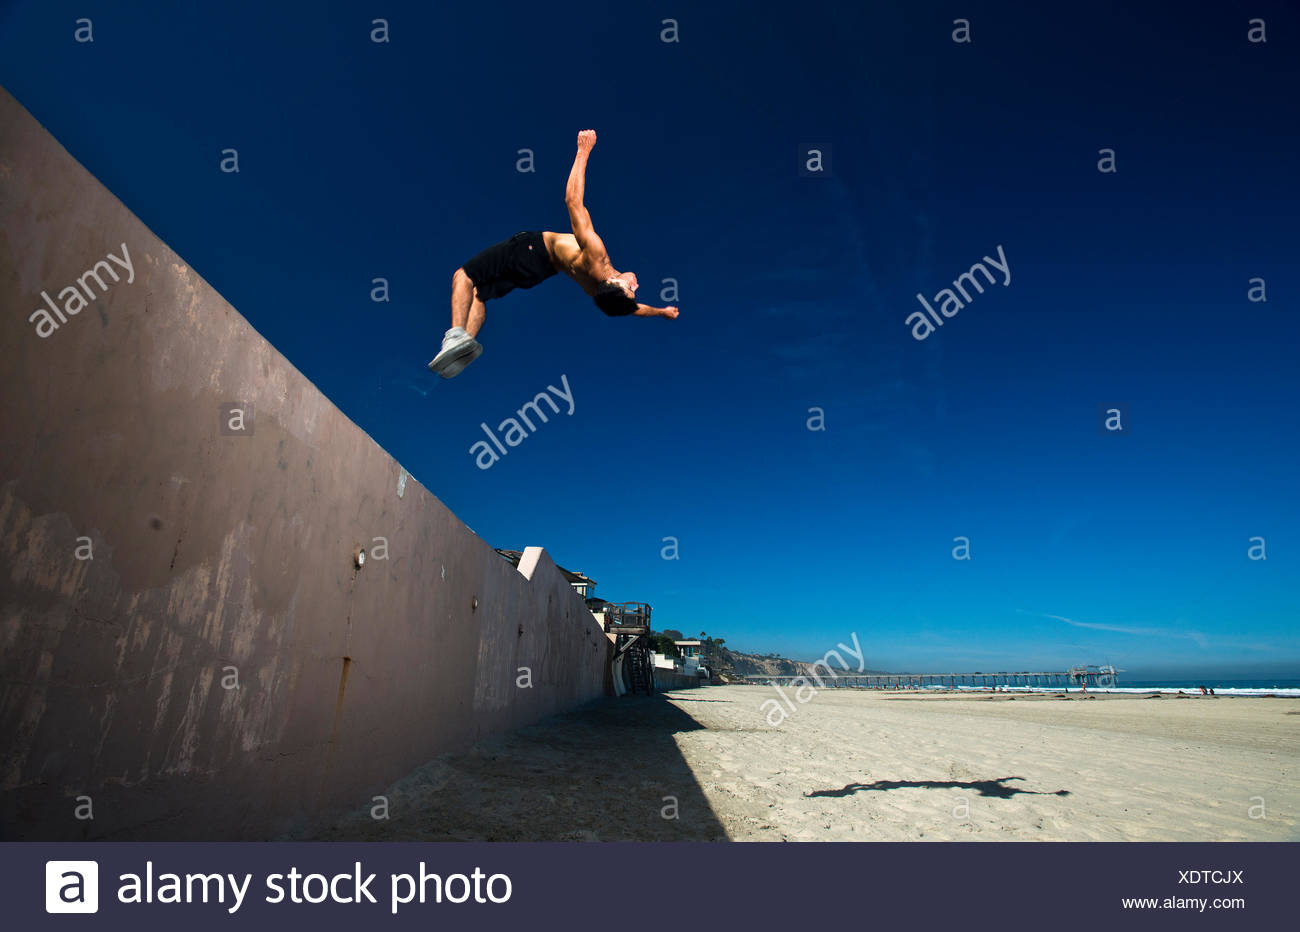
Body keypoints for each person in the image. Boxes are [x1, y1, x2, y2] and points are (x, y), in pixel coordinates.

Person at [429, 129, 679, 378]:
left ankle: (455, 336)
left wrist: (584, 151)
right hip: (539, 273)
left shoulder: (596, 257)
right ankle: (465, 346)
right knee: (479, 294)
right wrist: (661, 312)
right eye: (633, 289)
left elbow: (572, 201)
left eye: (629, 287)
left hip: (532, 249)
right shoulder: (598, 293)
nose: (635, 284)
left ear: (613, 281)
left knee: (463, 275)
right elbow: (635, 309)